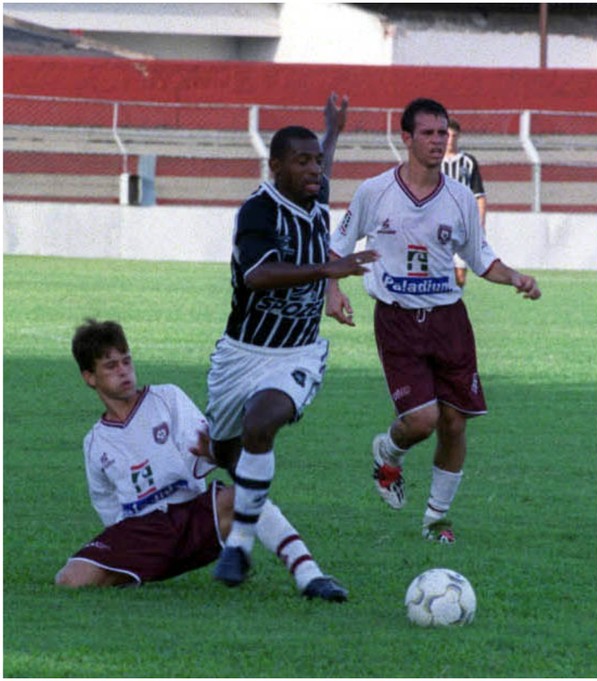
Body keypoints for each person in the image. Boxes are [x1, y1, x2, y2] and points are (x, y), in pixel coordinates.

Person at [325, 97, 541, 544]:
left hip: (448, 321)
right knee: (421, 421)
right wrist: (333, 289)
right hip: (398, 322)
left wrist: (516, 277)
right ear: (406, 138)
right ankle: (387, 450)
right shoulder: (374, 192)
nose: (438, 141)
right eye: (428, 133)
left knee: (455, 422)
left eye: (443, 133)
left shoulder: (460, 198)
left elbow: (481, 259)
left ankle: (435, 519)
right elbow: (336, 248)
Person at [205, 94, 380, 587]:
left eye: (318, 162)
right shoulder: (258, 212)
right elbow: (258, 276)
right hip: (241, 355)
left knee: (262, 424)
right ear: (275, 165)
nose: (315, 170)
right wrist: (328, 270)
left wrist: (334, 132)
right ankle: (306, 571)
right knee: (229, 457)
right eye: (302, 161)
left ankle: (237, 546)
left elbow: (321, 160)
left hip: (297, 352)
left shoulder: (314, 195)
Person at [57, 319, 348, 601]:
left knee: (242, 496)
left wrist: (214, 453)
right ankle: (139, 570)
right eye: (111, 366)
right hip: (144, 532)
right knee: (69, 579)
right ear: (89, 377)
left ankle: (309, 575)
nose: (123, 371)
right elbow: (107, 504)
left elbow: (204, 452)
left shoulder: (166, 398)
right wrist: (124, 543)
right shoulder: (95, 443)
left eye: (126, 361)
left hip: (192, 516)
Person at [442, 118, 488, 287]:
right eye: (447, 135)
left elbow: (479, 195)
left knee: (460, 277)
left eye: (454, 136)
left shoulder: (468, 162)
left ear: (458, 137)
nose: (450, 140)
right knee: (439, 271)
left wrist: (480, 224)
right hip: (438, 223)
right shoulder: (434, 162)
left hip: (462, 226)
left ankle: (452, 305)